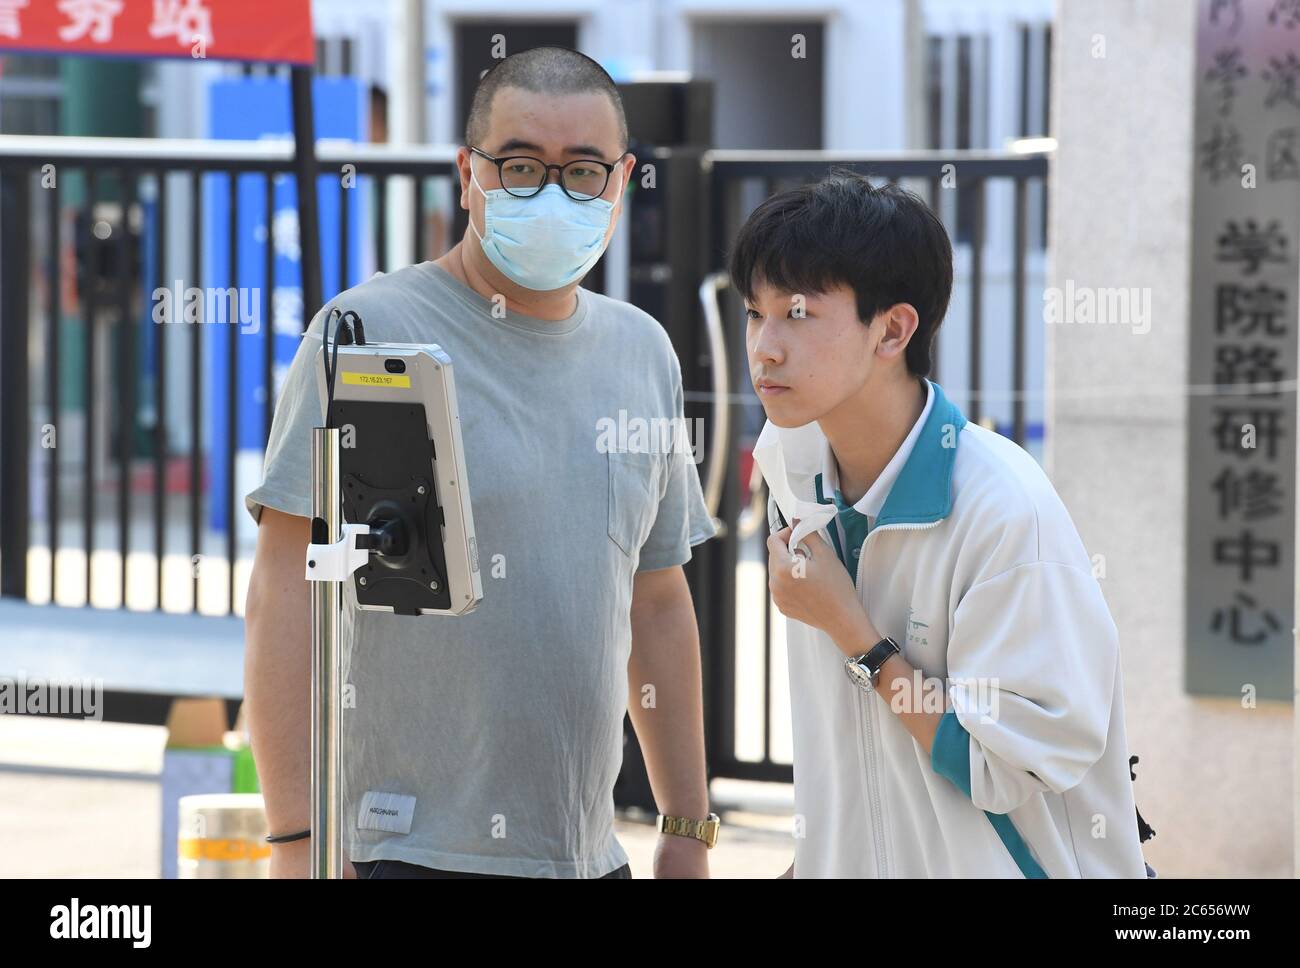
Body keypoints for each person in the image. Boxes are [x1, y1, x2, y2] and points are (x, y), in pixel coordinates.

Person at [244, 46, 718, 879]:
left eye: (582, 171)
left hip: (582, 853)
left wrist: (687, 823)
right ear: (469, 173)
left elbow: (657, 598)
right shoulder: (361, 335)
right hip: (395, 850)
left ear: (622, 180)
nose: (551, 192)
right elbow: (287, 587)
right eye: (521, 165)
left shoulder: (642, 352)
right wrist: (295, 836)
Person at [737, 170, 1149, 878]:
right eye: (754, 311)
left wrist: (858, 637)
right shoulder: (790, 460)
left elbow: (1003, 766)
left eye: (797, 313)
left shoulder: (1004, 511)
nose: (764, 347)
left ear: (893, 329)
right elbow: (851, 748)